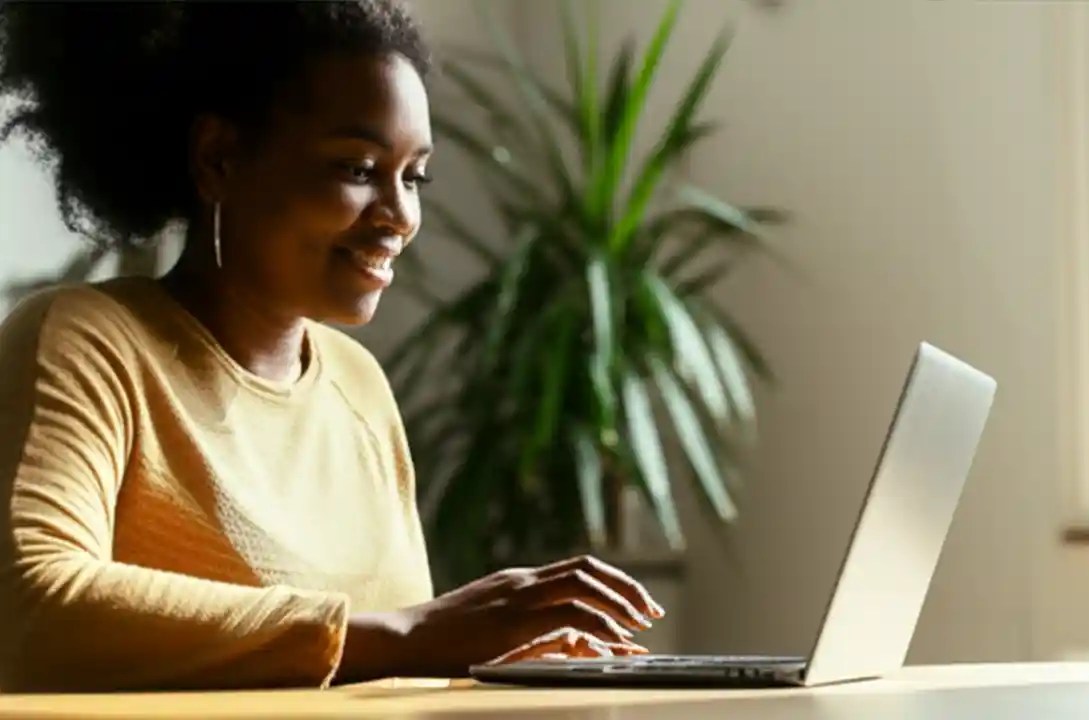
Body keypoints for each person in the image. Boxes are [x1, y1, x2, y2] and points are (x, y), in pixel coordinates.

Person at [0, 1, 661, 693]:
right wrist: (414, 634)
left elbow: (392, 677)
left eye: (414, 177)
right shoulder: (86, 342)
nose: (401, 217)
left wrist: (494, 670)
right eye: (357, 168)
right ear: (218, 158)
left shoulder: (357, 384)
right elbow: (32, 615)